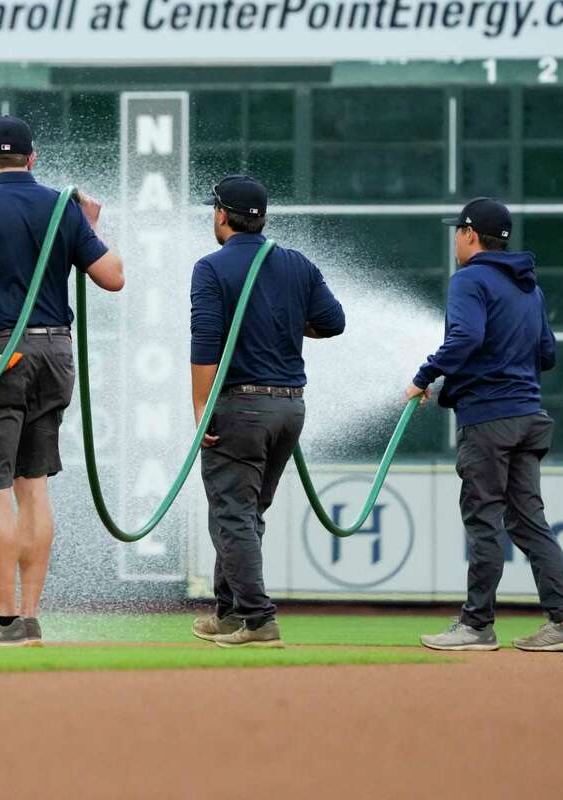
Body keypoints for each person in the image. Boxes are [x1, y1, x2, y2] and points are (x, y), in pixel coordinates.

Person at [0, 116, 124, 646]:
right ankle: (30, 618)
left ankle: (4, 618)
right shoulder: (63, 207)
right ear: (33, 160)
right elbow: (113, 277)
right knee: (32, 486)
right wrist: (89, 229)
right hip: (56, 351)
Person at [412, 198, 563, 652]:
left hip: (489, 421)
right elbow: (546, 353)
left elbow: (466, 336)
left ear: (471, 235)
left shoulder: (469, 279)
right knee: (529, 523)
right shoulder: (529, 287)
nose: (455, 239)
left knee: (483, 519)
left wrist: (425, 375)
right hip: (529, 416)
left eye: (458, 231)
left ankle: (476, 626)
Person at [190, 175, 345, 649]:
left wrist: (201, 407)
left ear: (221, 214)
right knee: (245, 511)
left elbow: (205, 343)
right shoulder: (297, 264)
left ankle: (258, 619)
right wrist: (287, 330)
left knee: (233, 512)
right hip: (289, 409)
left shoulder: (210, 268)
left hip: (240, 405)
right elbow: (333, 323)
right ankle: (230, 611)